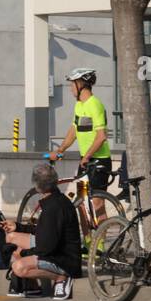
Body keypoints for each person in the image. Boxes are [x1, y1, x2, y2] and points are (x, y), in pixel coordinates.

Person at [1, 163, 82, 299]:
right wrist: (18, 227)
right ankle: (31, 285)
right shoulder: (54, 200)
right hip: (56, 248)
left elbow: (46, 248)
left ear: (37, 185)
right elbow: (44, 231)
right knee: (11, 237)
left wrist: (25, 253)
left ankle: (60, 278)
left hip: (65, 260)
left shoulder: (53, 207)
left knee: (19, 266)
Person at [49, 68, 112, 223]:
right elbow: (74, 131)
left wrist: (88, 156)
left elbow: (101, 136)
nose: (70, 89)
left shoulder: (95, 104)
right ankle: (89, 243)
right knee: (81, 203)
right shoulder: (79, 105)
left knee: (97, 204)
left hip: (99, 160)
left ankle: (101, 246)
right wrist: (60, 150)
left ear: (80, 84)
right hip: (86, 161)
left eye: (72, 85)